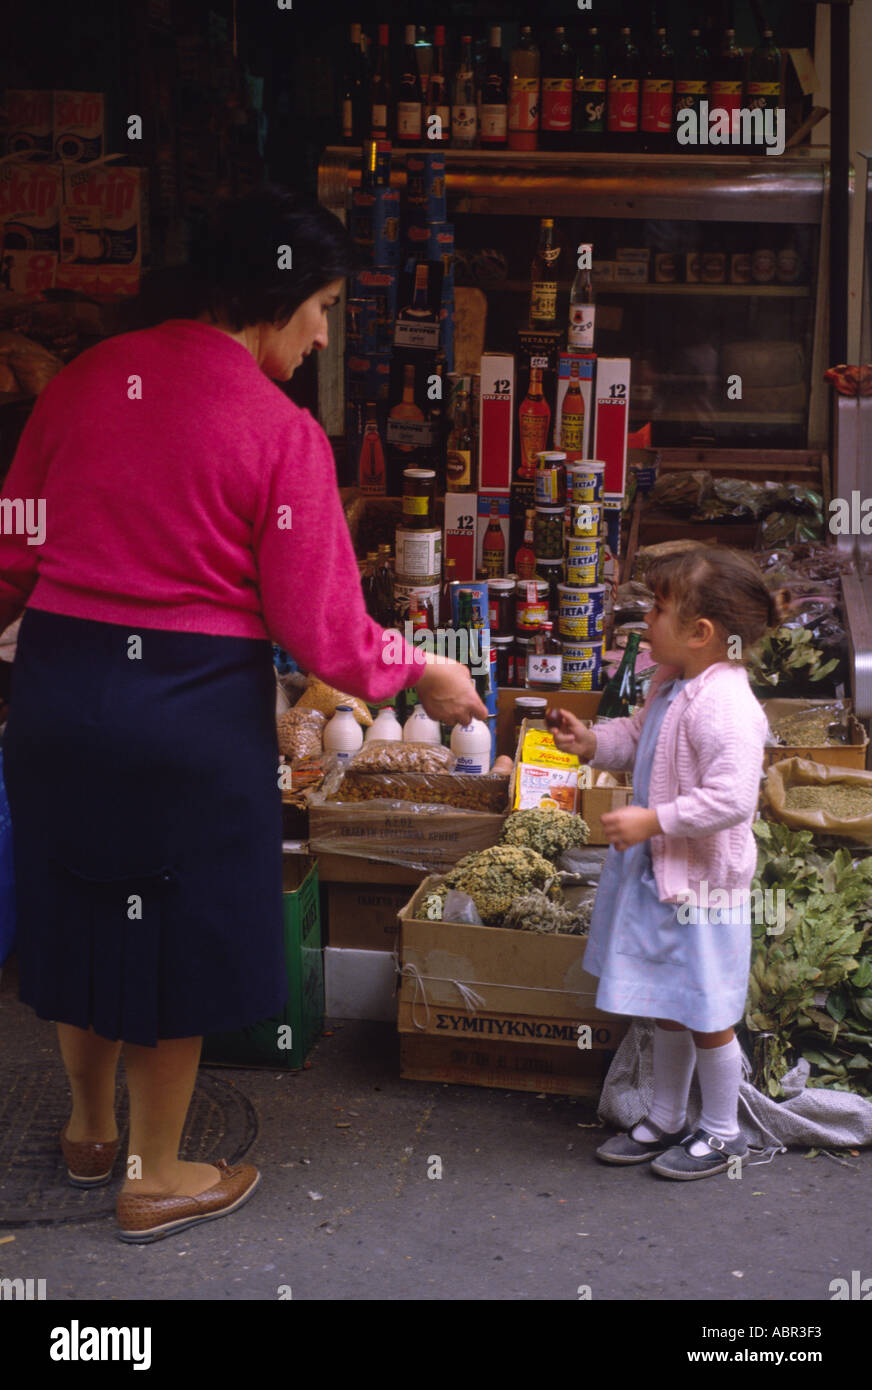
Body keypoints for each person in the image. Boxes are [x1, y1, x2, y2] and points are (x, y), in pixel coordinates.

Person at [0, 186, 486, 1244]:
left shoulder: (82, 383)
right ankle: (156, 1170)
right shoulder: (279, 431)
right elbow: (325, 632)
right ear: (274, 300)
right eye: (318, 310)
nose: (320, 337)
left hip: (60, 686)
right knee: (168, 931)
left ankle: (90, 1131)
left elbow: (14, 545)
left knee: (83, 904)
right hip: (183, 710)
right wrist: (425, 676)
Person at [551, 547, 783, 1180]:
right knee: (666, 1003)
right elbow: (640, 735)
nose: (644, 620)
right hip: (662, 879)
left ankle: (722, 1130)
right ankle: (667, 1116)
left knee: (706, 1012)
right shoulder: (674, 683)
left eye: (656, 609)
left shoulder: (727, 704)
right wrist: (594, 741)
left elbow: (732, 800)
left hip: (704, 887)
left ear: (700, 633)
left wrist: (655, 819)